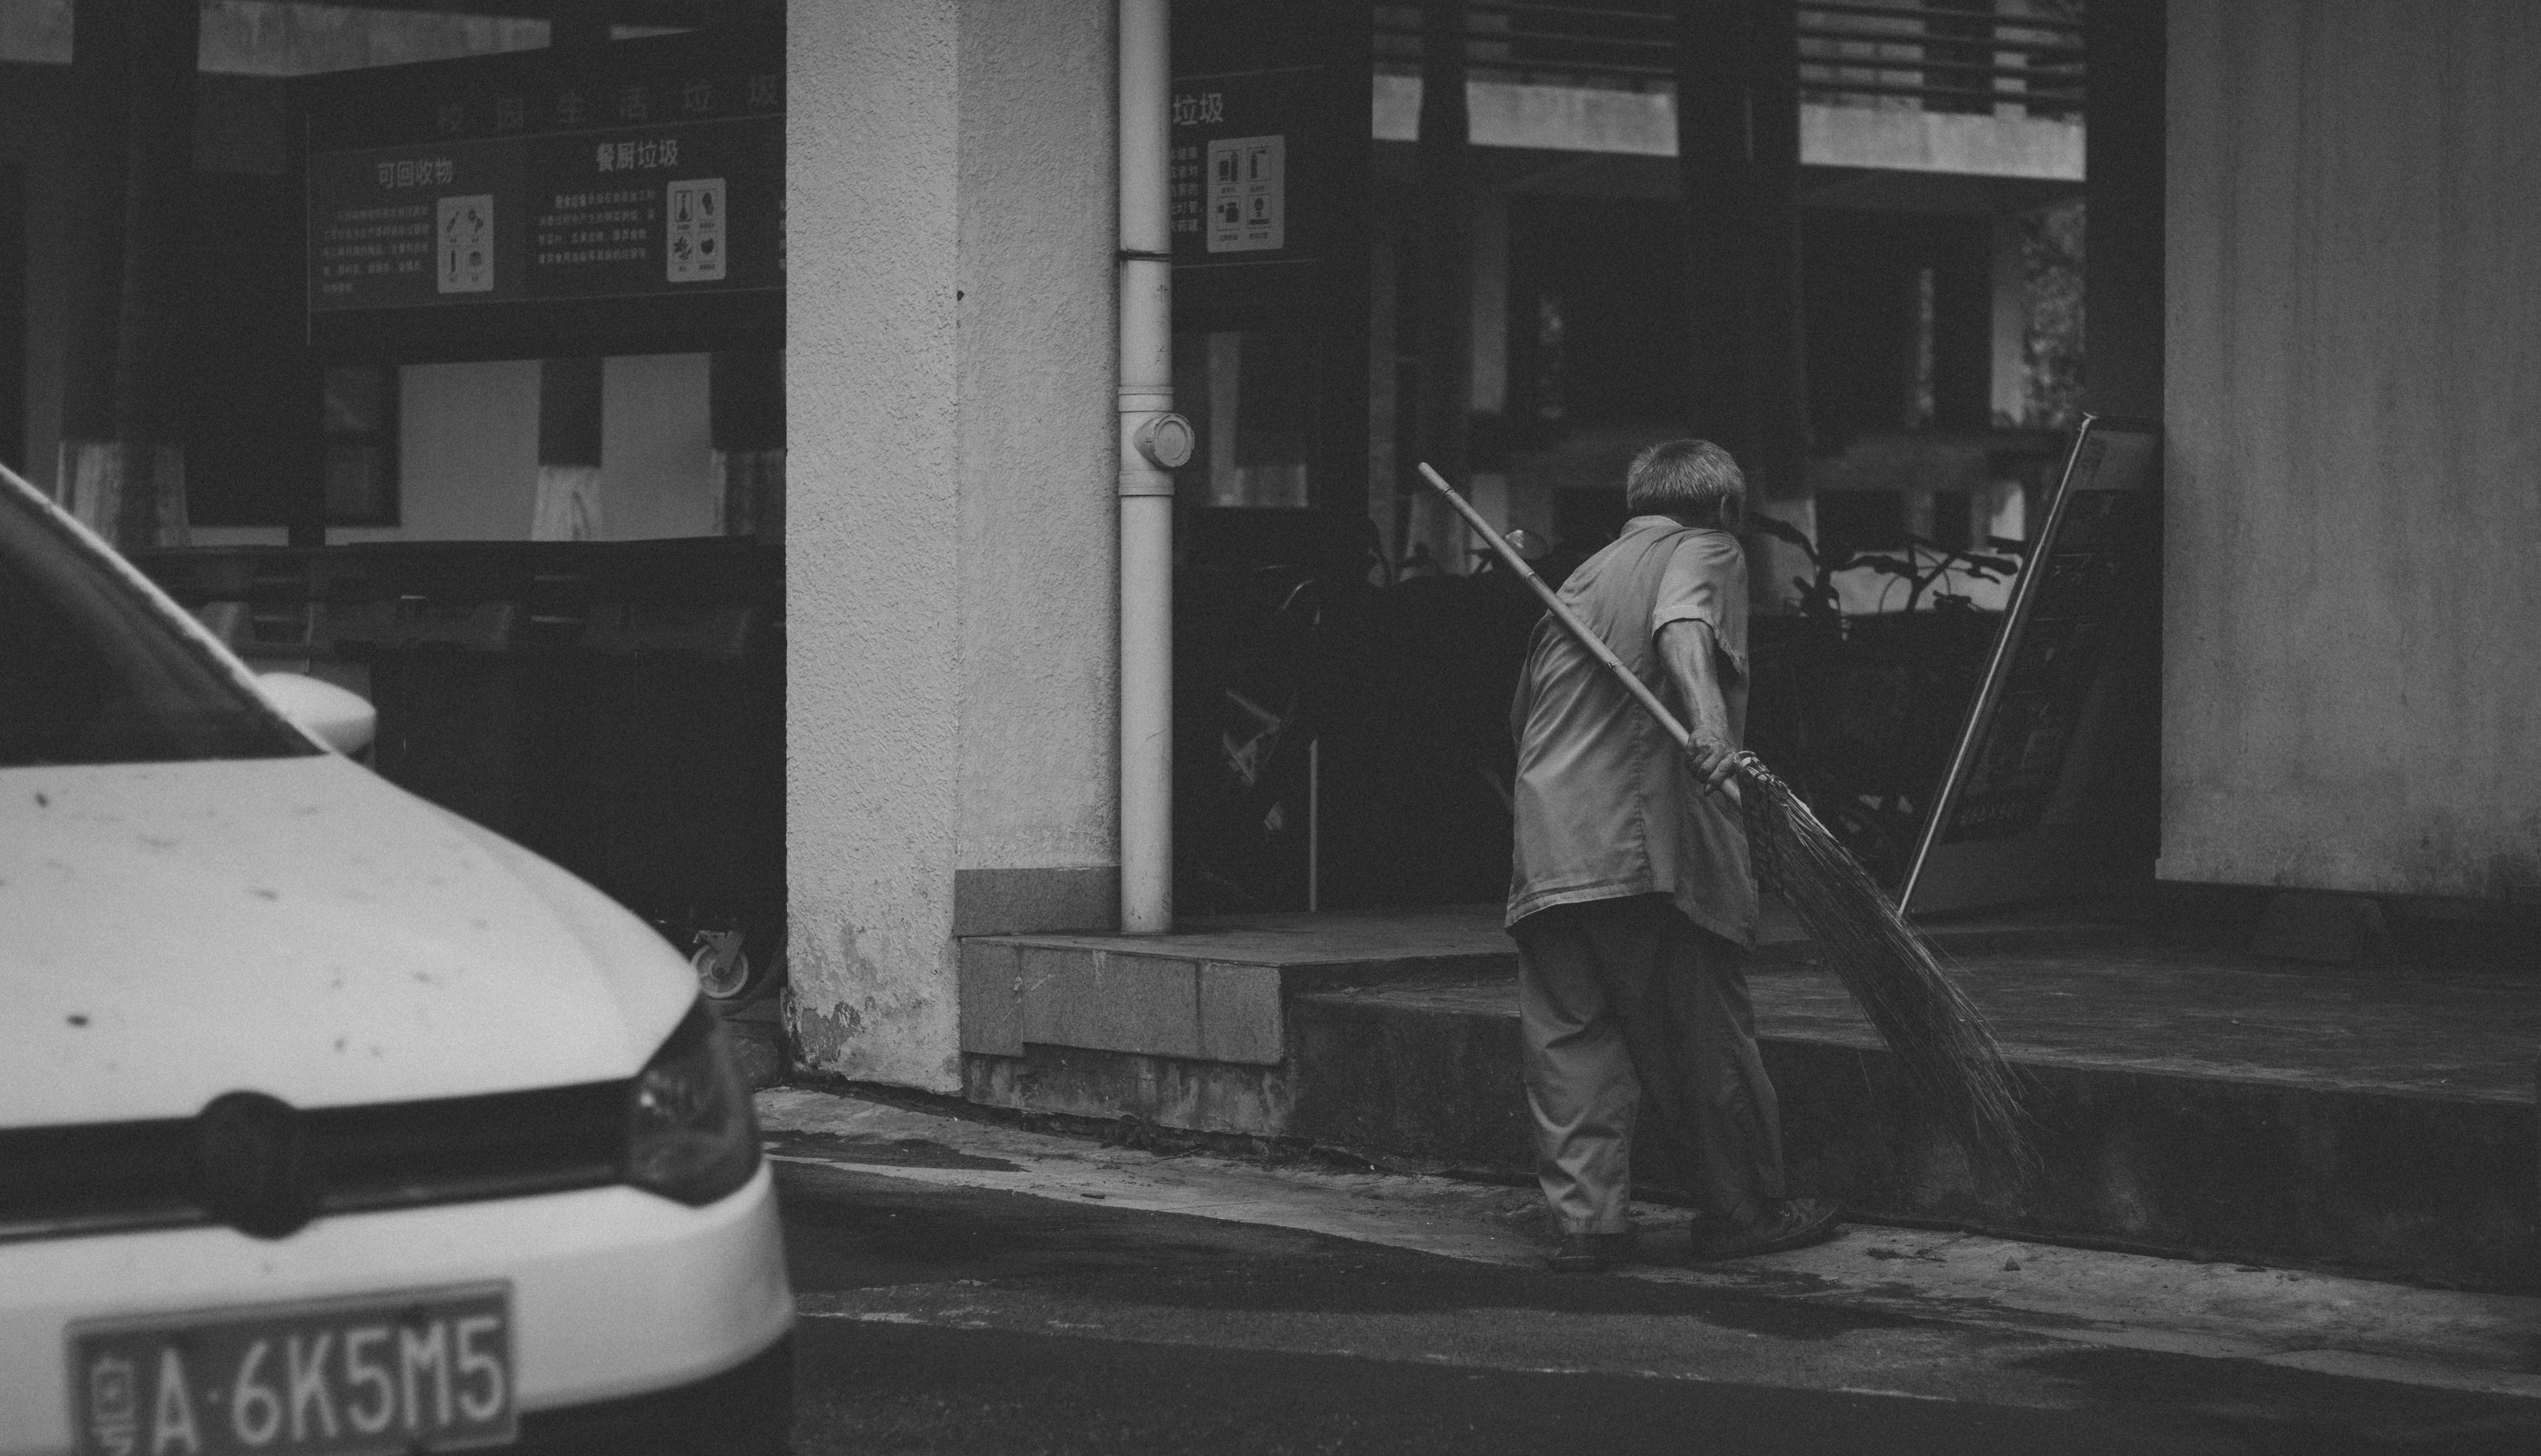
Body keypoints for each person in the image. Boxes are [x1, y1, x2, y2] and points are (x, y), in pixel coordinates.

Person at [1505, 439, 1841, 1272]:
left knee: (1571, 1039)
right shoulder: (1707, 547)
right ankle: (1741, 1212)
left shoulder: (1580, 579)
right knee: (1702, 1037)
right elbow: (1681, 623)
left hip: (1548, 846)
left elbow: (1522, 716)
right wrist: (1711, 727)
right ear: (1724, 508)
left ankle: (1588, 1227)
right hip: (1641, 845)